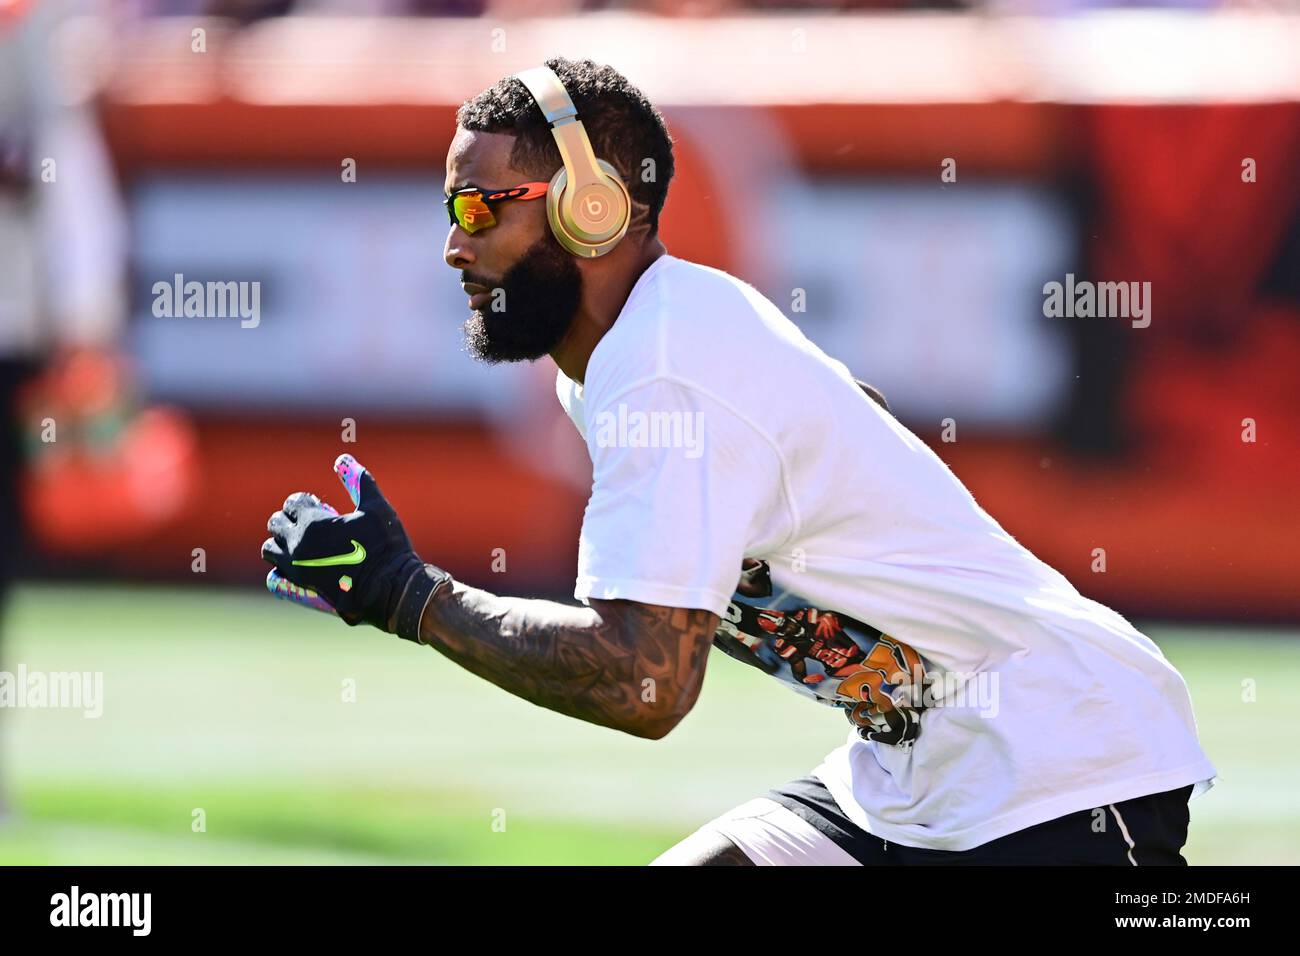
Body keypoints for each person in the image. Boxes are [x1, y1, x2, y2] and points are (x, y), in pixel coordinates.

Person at [260, 57, 1216, 865]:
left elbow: (645, 686)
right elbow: (855, 427)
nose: (451, 243)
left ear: (591, 207)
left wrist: (412, 599)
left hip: (1063, 765)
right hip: (918, 772)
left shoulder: (664, 365)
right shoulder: (639, 349)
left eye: (477, 206)